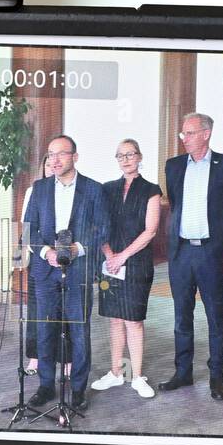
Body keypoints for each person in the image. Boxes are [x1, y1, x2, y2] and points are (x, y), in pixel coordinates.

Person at [22, 134, 110, 412]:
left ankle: (78, 389)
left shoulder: (94, 190)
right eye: (50, 154)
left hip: (78, 273)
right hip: (45, 272)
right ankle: (46, 385)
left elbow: (102, 229)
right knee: (45, 329)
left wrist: (79, 249)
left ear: (75, 156)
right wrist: (46, 251)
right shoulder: (40, 188)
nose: (55, 160)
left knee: (78, 332)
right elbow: (29, 230)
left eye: (61, 154)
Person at [160, 112, 223, 401]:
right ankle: (182, 372)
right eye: (183, 134)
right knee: (181, 316)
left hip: (210, 252)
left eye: (190, 133)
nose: (185, 139)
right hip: (181, 252)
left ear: (206, 133)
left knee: (215, 315)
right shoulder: (173, 166)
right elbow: (175, 202)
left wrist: (214, 236)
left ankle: (216, 377)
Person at [91, 139, 162, 399]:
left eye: (130, 154)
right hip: (109, 262)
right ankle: (116, 373)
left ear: (139, 157)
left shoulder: (151, 190)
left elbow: (150, 230)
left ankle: (137, 376)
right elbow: (98, 225)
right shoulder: (107, 189)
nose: (125, 159)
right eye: (120, 156)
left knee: (133, 320)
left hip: (136, 263)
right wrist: (110, 254)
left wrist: (123, 256)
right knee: (114, 319)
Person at [20, 153, 54, 377]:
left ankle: (66, 360)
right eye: (48, 164)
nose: (52, 168)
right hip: (38, 258)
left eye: (56, 163)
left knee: (64, 314)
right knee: (36, 312)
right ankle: (35, 357)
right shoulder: (33, 191)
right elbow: (26, 228)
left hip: (64, 258)